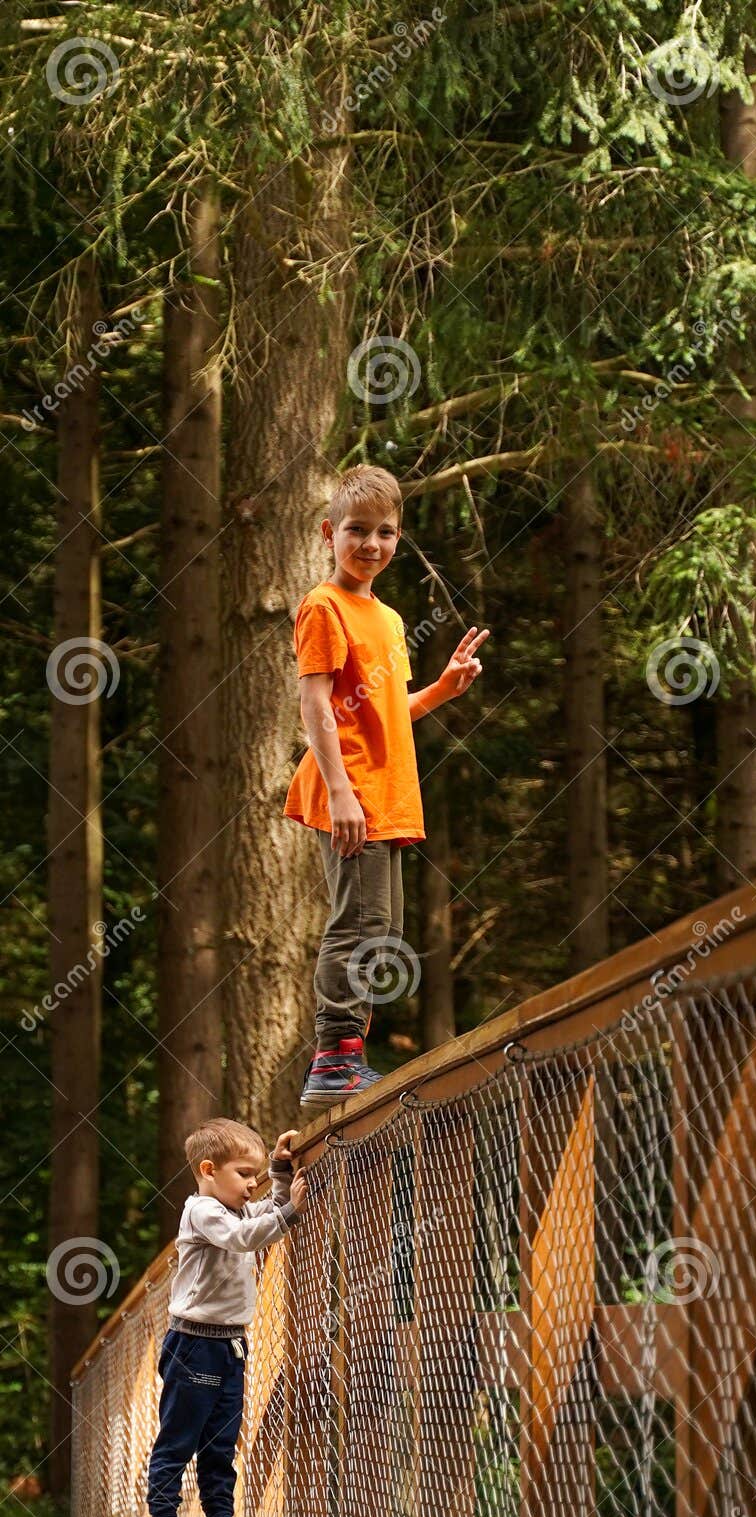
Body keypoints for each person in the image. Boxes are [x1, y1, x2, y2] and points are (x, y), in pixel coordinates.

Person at [284, 463, 489, 1109]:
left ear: (398, 540)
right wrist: (342, 792)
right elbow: (314, 703)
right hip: (352, 789)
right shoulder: (324, 605)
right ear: (328, 534)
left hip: (388, 792)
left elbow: (384, 708)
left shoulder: (390, 618)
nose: (371, 544)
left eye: (385, 533)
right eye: (356, 530)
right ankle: (333, 1060)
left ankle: (349, 1059)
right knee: (359, 922)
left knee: (383, 928)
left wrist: (441, 689)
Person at [144, 1119, 307, 1517]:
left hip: (231, 1345)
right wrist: (290, 1212)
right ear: (209, 1169)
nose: (251, 1184)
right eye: (244, 1174)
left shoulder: (235, 1208)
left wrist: (278, 1168)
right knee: (179, 1436)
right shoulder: (203, 1211)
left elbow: (267, 1210)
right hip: (193, 1345)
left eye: (254, 1175)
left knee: (221, 1439)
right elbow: (242, 1238)